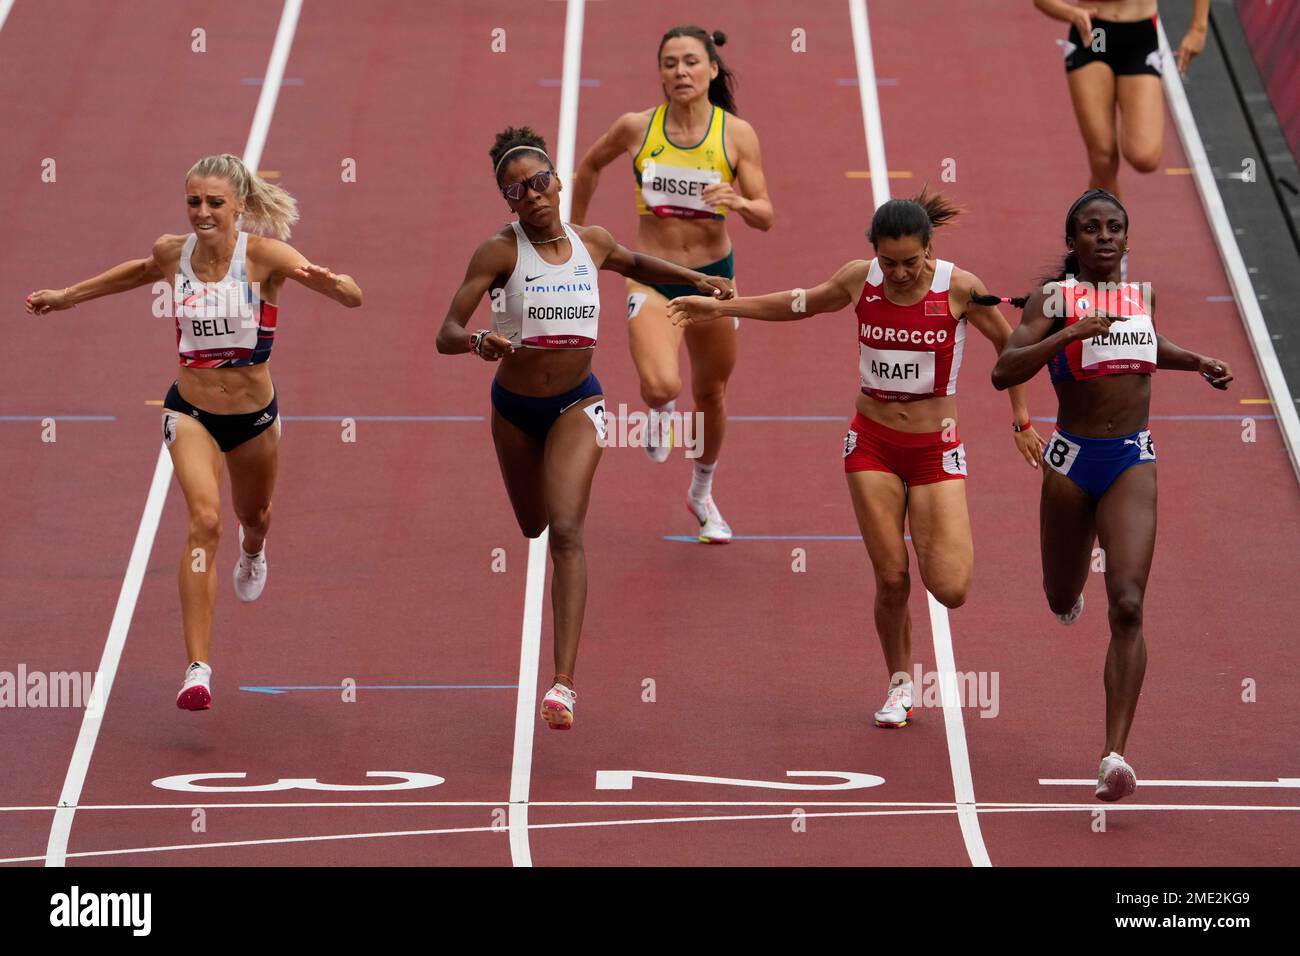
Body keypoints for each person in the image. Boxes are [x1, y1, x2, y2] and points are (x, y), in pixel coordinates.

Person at [667, 190, 1045, 728]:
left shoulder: (959, 287)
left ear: (929, 251)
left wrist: (1022, 420)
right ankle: (899, 684)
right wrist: (721, 306)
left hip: (935, 451)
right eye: (888, 262)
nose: (898, 274)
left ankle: (933, 526)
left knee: (952, 588)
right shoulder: (858, 279)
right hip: (872, 446)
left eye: (910, 263)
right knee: (891, 577)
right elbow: (798, 303)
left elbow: (1011, 353)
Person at [25, 153, 362, 710]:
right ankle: (198, 668)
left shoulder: (264, 257)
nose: (202, 212)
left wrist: (337, 283)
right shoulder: (172, 254)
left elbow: (350, 296)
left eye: (214, 202)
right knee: (204, 518)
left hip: (254, 420)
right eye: (193, 202)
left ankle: (254, 550)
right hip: (190, 413)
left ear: (240, 206)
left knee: (252, 515)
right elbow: (134, 272)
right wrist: (66, 296)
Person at [437, 127, 734, 729]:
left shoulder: (590, 242)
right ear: (507, 201)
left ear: (558, 181)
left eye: (540, 181)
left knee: (567, 531)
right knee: (533, 524)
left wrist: (699, 281)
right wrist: (478, 341)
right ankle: (560, 664)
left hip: (579, 404)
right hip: (514, 410)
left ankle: (564, 685)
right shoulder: (497, 252)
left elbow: (636, 261)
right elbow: (445, 331)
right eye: (516, 189)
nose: (533, 195)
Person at [990, 187, 1232, 800]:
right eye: (1091, 228)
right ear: (1071, 243)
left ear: (1126, 237)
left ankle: (1113, 757)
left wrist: (1198, 360)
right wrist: (1068, 333)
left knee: (1126, 604)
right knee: (1061, 592)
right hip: (1071, 464)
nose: (1104, 236)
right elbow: (1004, 372)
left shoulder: (1141, 297)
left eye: (1114, 227)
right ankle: (1064, 597)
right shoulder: (1054, 298)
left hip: (1131, 460)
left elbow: (1150, 348)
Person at [571, 25, 774, 543]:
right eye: (669, 63)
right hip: (653, 274)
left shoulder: (736, 135)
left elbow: (765, 215)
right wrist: (574, 235)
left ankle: (701, 495)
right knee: (663, 385)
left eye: (690, 62)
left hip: (715, 284)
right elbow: (589, 167)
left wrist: (741, 203)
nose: (680, 71)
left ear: (711, 70)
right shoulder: (636, 128)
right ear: (660, 74)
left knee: (712, 392)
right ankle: (661, 412)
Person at [1034, 0, 1209, 196]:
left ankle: (1092, 214)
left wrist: (1198, 28)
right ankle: (1109, 224)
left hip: (1138, 37)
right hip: (1093, 34)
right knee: (1103, 158)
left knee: (1144, 156)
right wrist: (1071, 14)